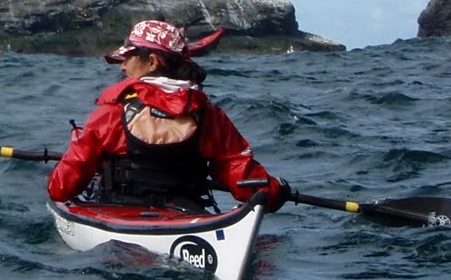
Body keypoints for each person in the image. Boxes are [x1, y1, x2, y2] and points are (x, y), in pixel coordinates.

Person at [47, 20, 289, 212]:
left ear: (151, 62)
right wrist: (275, 191)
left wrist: (78, 143)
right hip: (186, 215)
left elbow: (61, 188)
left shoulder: (110, 114)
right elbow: (240, 173)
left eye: (129, 57)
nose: (122, 66)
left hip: (118, 214)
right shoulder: (209, 115)